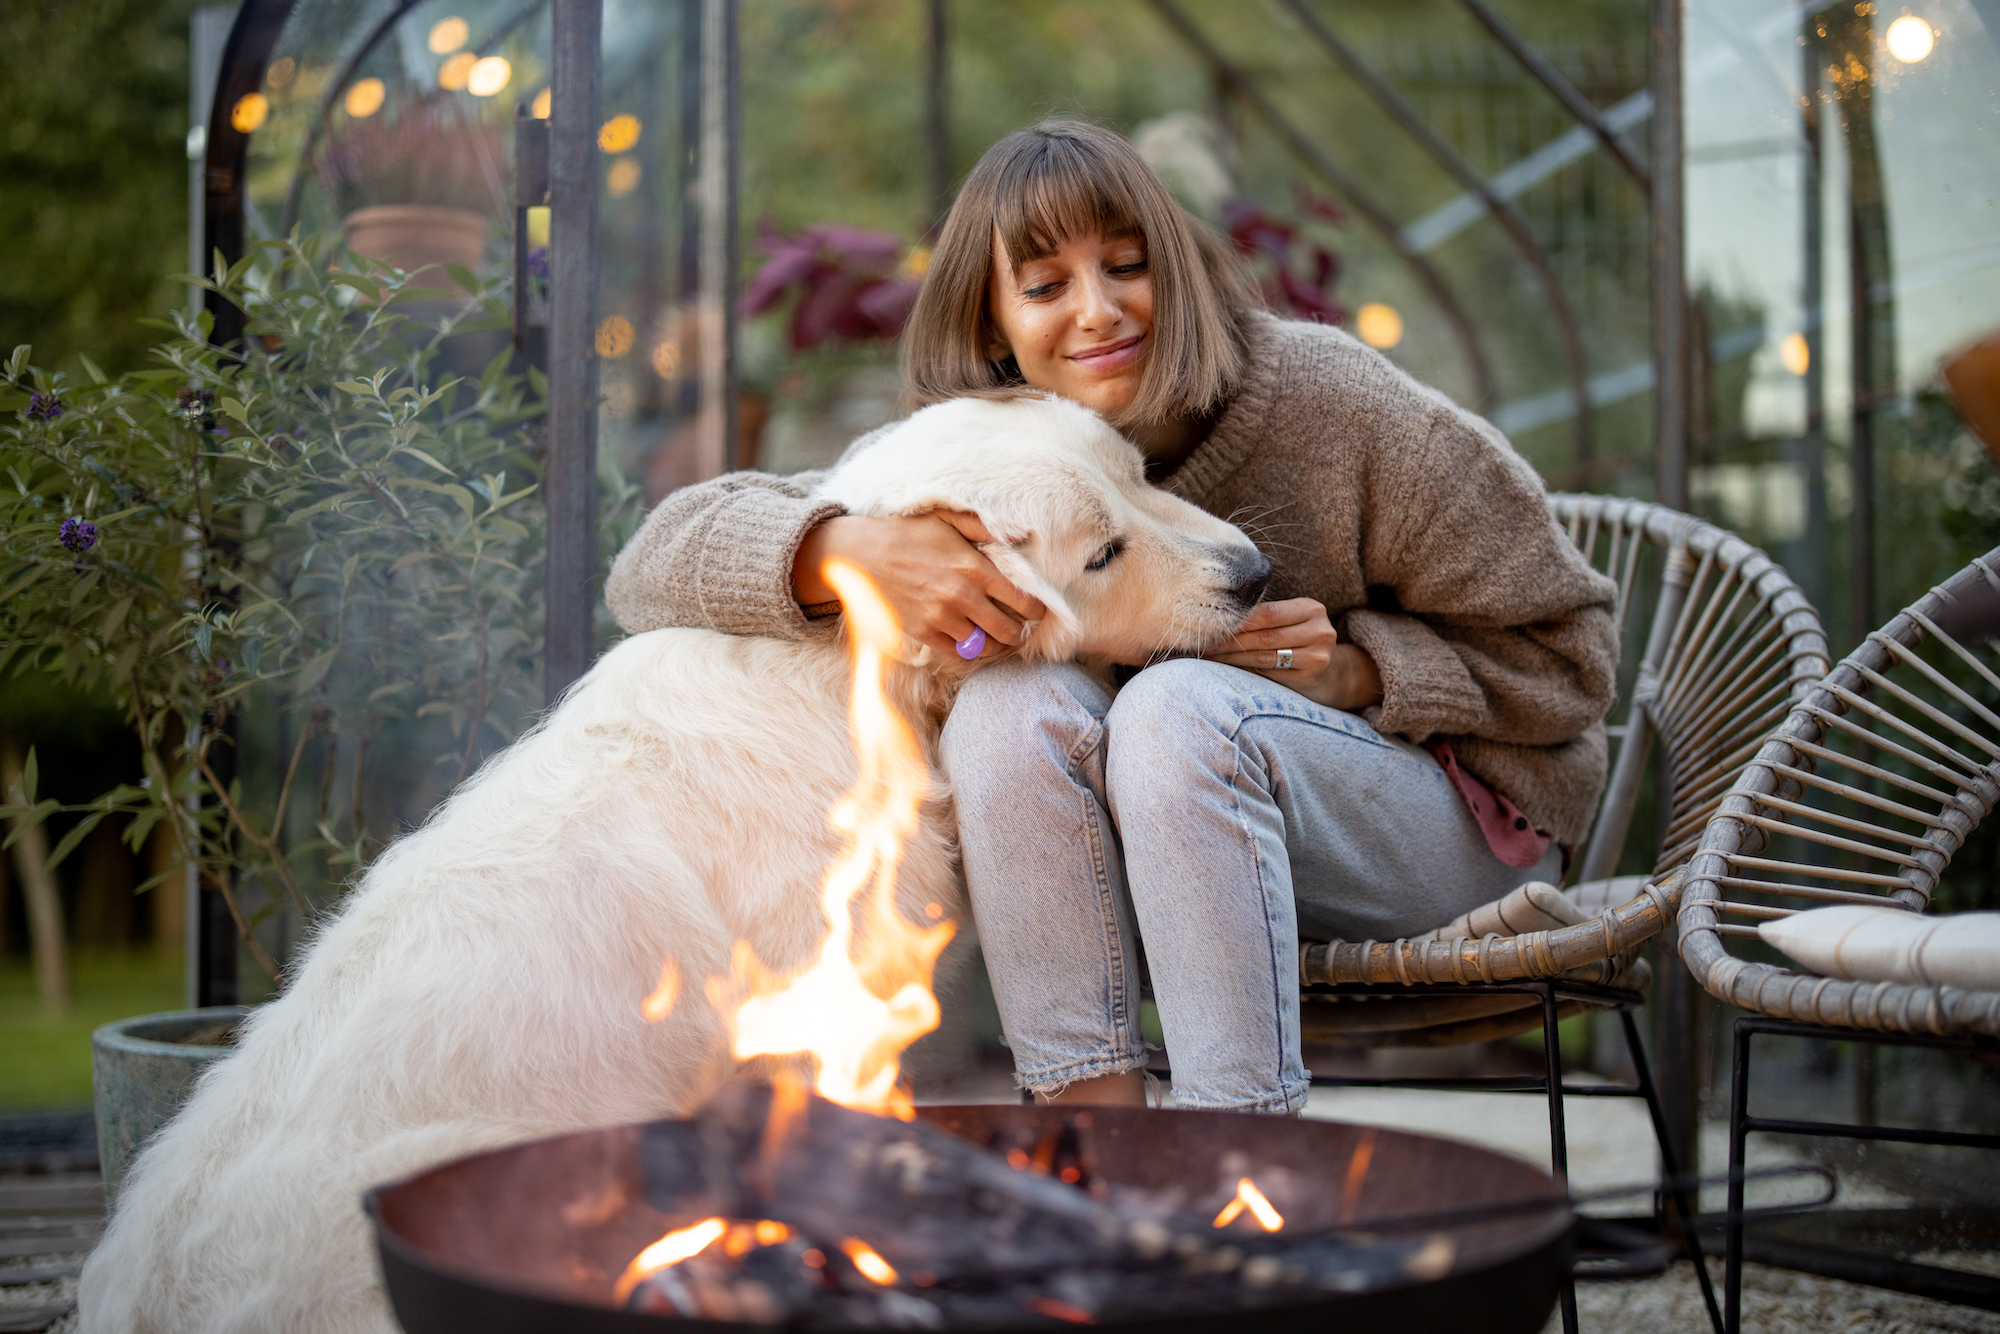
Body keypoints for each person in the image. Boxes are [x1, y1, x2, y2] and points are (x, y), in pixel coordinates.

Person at [605, 119, 1618, 1116]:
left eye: (1125, 266)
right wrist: (837, 547)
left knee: (1178, 708)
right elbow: (646, 567)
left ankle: (1236, 1166)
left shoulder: (1335, 407)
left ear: (1170, 268)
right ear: (993, 324)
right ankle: (1098, 1151)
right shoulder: (999, 457)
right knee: (1008, 704)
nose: (1096, 312)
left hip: (1451, 838)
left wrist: (1358, 671)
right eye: (1044, 287)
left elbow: (1572, 659)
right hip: (1167, 860)